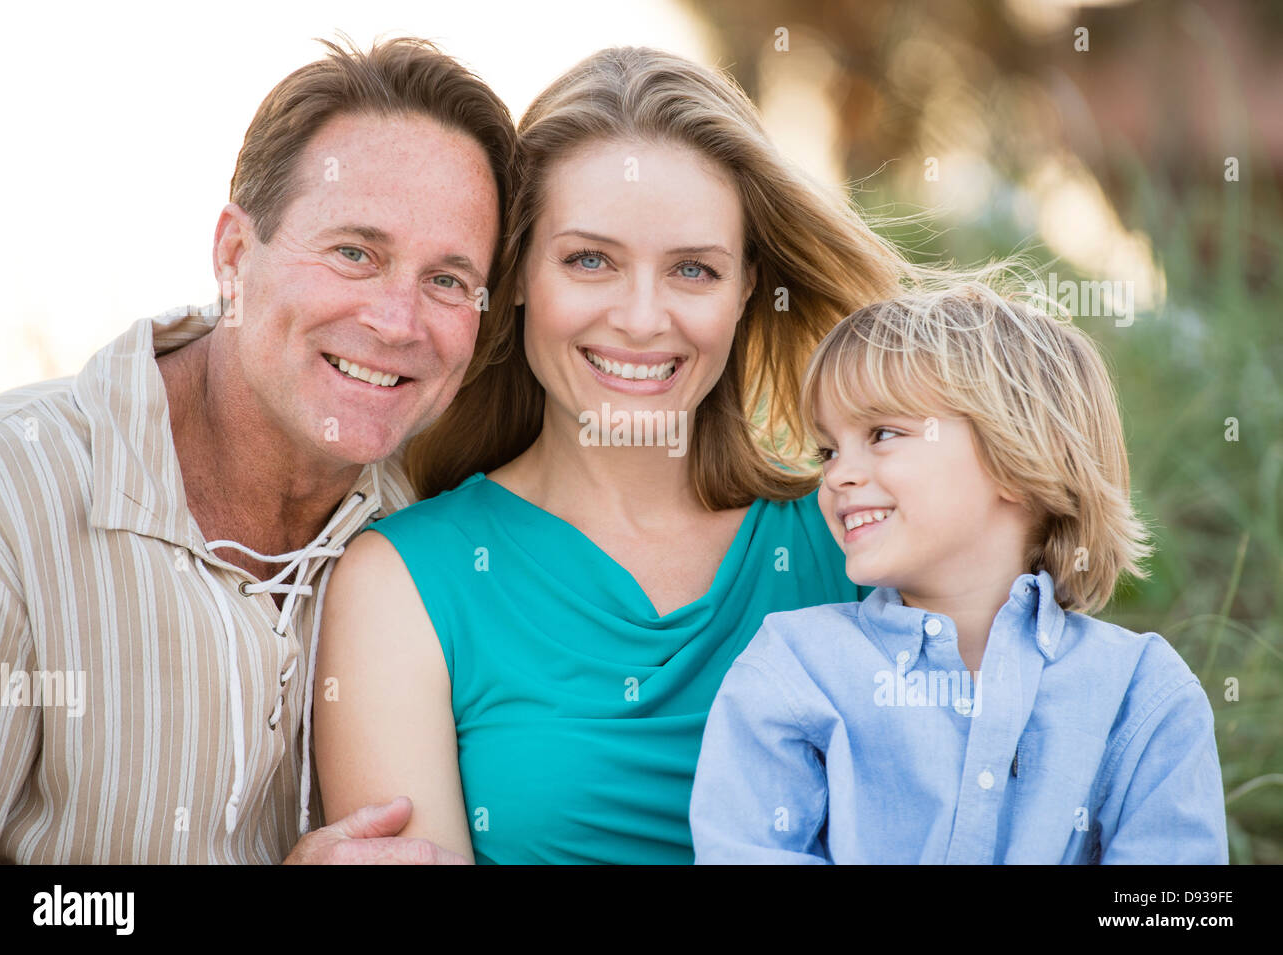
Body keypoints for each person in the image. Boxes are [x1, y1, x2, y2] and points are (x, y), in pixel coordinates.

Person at [314, 46, 927, 864]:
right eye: (590, 260)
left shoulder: (858, 537)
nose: (642, 319)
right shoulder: (402, 584)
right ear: (520, 271)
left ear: (747, 287)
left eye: (693, 270)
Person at [0, 36, 516, 863]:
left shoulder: (441, 538)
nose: (397, 321)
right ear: (235, 254)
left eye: (447, 279)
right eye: (354, 253)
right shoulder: (9, 497)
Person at [688, 281, 1229, 863]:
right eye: (828, 450)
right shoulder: (794, 668)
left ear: (1019, 460)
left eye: (882, 434)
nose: (838, 475)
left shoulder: (1141, 692)